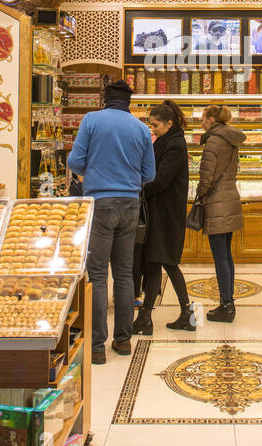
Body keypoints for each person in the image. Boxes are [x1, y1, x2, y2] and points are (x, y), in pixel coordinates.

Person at [67, 79, 155, 364]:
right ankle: (123, 340)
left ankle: (96, 346)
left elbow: (76, 161)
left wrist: (94, 170)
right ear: (128, 103)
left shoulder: (92, 120)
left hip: (100, 203)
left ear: (105, 99)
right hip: (130, 203)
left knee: (97, 274)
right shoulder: (142, 128)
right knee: (124, 272)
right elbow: (149, 173)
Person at [132, 100, 195, 335]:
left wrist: (138, 188)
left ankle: (182, 314)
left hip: (167, 213)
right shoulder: (166, 141)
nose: (153, 129)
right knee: (155, 262)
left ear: (169, 123)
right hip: (159, 211)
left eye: (156, 125)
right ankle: (147, 317)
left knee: (165, 261)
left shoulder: (175, 145)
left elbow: (160, 180)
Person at [195, 104, 245, 322]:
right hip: (230, 198)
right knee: (226, 254)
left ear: (212, 120)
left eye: (203, 118)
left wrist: (199, 196)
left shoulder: (213, 141)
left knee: (219, 255)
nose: (201, 122)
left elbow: (206, 177)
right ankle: (229, 301)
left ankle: (226, 305)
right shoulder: (231, 139)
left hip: (216, 203)